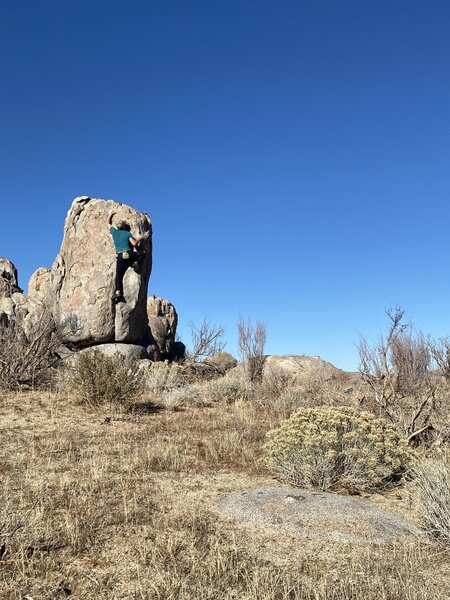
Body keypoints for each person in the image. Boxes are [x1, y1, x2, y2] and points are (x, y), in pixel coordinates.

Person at [107, 210, 147, 303]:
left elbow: (107, 223)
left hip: (120, 257)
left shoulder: (114, 232)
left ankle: (118, 292)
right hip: (129, 255)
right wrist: (140, 238)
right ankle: (136, 263)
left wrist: (110, 215)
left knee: (119, 276)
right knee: (143, 253)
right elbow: (133, 244)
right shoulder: (127, 233)